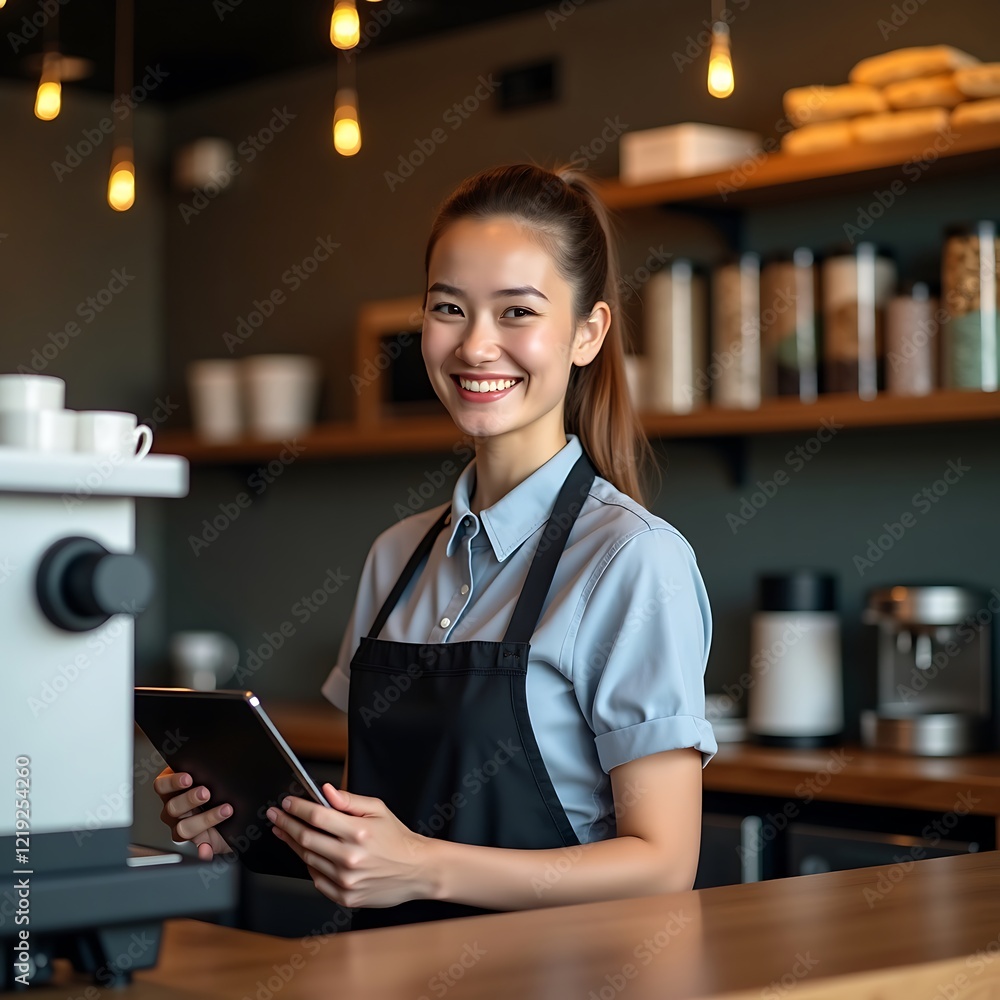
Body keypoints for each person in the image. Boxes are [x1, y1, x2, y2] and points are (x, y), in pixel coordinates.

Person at [155, 161, 717, 930]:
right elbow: (374, 840)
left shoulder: (633, 559)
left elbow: (661, 866)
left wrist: (422, 865)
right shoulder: (396, 555)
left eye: (517, 312)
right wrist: (252, 826)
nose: (476, 346)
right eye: (449, 308)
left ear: (588, 333)